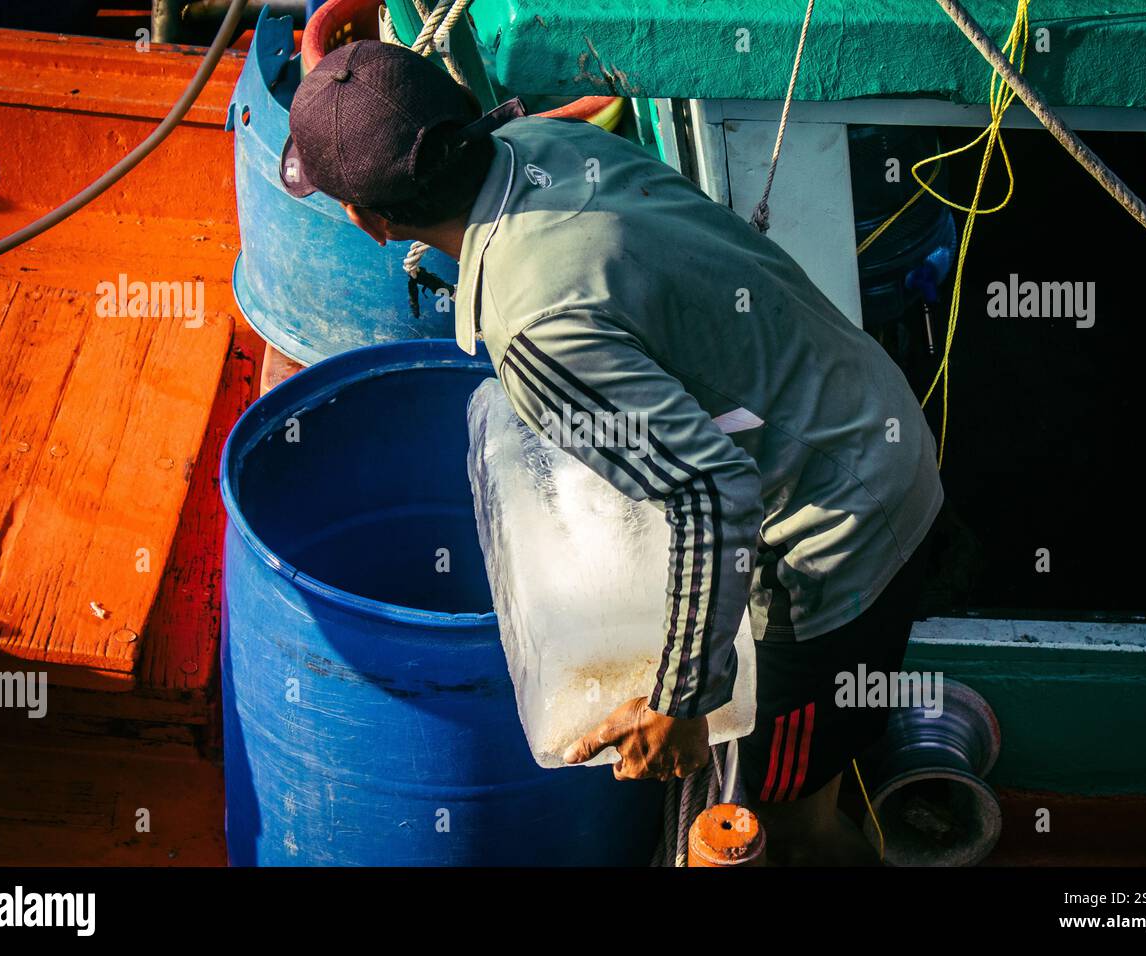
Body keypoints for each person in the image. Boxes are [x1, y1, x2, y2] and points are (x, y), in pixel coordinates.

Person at [282, 40, 943, 865]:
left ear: (367, 220)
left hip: (836, 542)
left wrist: (680, 701)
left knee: (788, 819)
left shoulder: (532, 327)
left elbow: (712, 490)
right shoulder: (548, 146)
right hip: (864, 407)